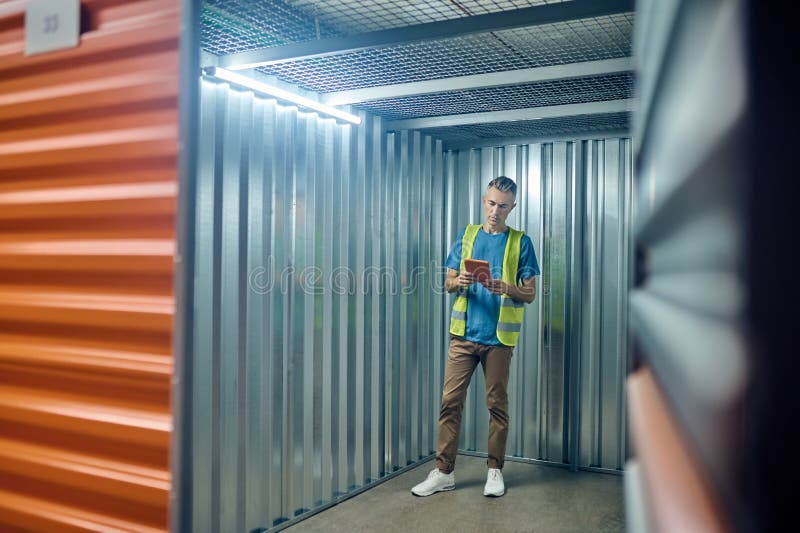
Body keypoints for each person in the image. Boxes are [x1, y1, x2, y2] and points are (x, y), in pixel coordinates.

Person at [411, 176, 540, 498]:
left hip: (498, 340)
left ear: (513, 207)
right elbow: (448, 283)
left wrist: (507, 288)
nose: (495, 211)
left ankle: (494, 471)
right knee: (449, 403)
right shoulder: (467, 235)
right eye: (491, 202)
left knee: (496, 405)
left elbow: (530, 294)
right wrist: (462, 280)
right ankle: (443, 473)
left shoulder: (521, 242)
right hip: (463, 336)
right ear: (484, 200)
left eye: (503, 205)